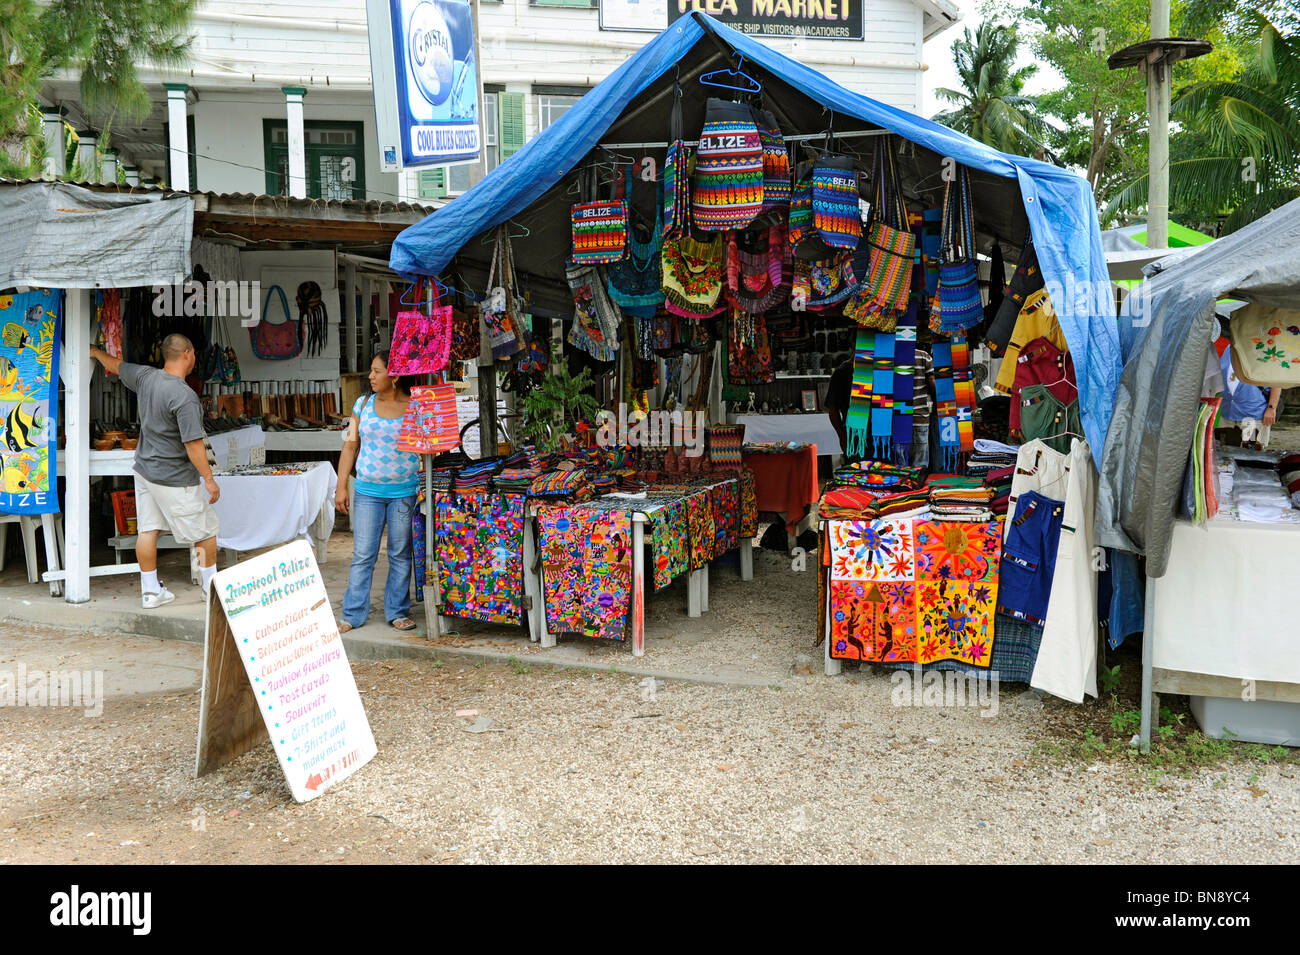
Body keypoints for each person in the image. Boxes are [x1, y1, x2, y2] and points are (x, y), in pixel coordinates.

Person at [90, 335, 220, 608]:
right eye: (194, 354)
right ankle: (211, 589)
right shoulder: (185, 396)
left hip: (145, 471)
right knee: (204, 532)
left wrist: (94, 352)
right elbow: (193, 444)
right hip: (174, 476)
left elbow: (115, 365)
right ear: (187, 353)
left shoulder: (146, 376)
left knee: (148, 530)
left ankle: (150, 592)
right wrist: (209, 479)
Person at [335, 351, 420, 632]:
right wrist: (341, 486)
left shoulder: (415, 406)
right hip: (367, 492)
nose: (370, 376)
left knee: (400, 553)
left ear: (394, 376)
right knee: (363, 555)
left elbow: (428, 447)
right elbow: (350, 446)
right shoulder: (362, 405)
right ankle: (352, 614)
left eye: (377, 371)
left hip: (404, 492)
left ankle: (397, 611)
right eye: (371, 371)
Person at [1219, 347, 1282, 449]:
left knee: (1251, 452)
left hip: (1252, 416)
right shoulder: (1227, 349)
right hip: (1227, 414)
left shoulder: (1265, 350)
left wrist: (1272, 407)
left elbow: (1277, 381)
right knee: (1227, 453)